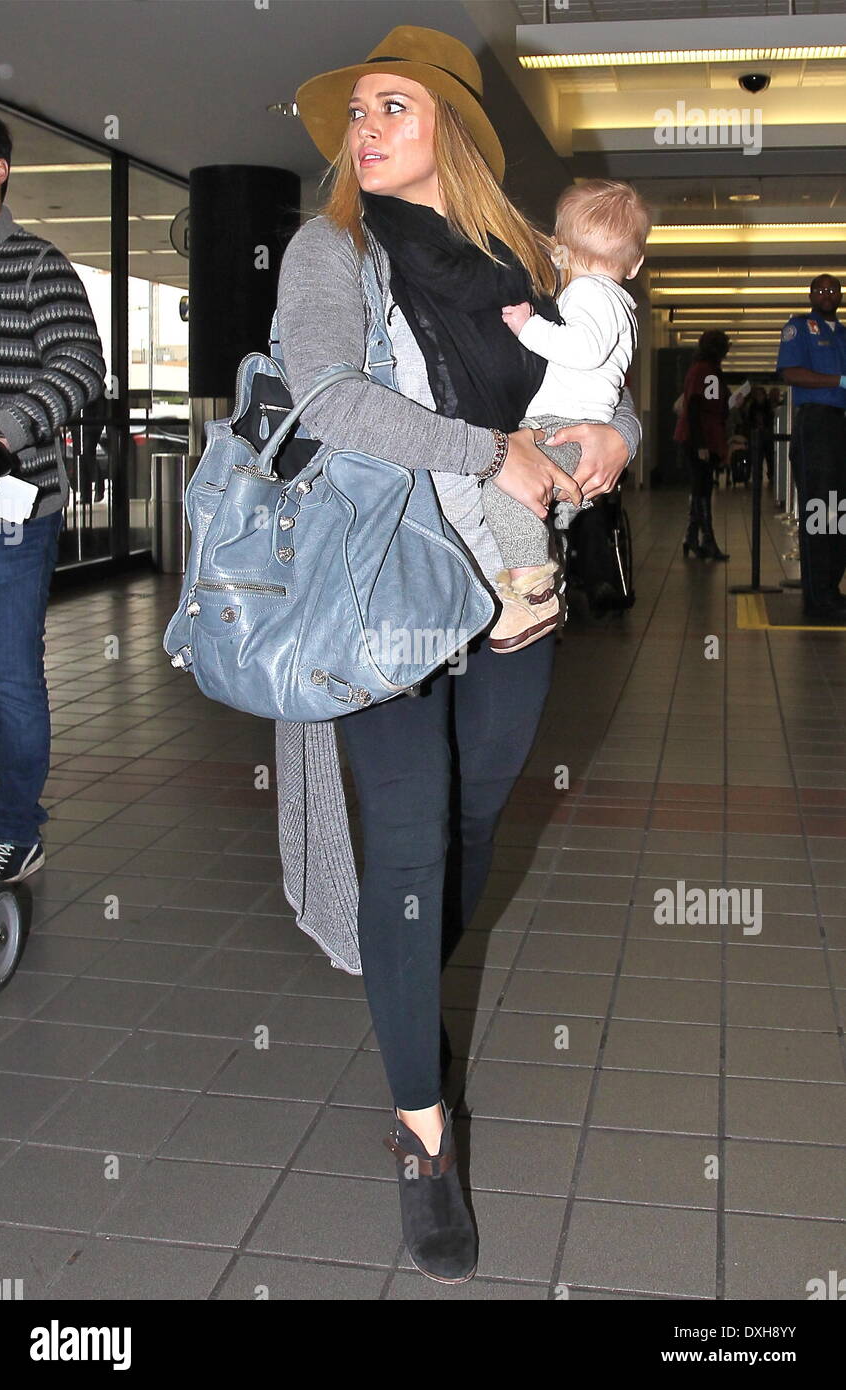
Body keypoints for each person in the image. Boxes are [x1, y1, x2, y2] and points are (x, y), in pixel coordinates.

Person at [279, 25, 641, 1284]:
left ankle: (402, 977)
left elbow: (602, 373)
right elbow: (322, 394)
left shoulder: (523, 259)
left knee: (480, 813)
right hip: (384, 585)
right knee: (413, 827)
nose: (364, 130)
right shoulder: (331, 247)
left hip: (512, 591)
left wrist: (609, 442)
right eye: (354, 112)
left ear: (449, 130)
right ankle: (422, 1134)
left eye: (391, 107)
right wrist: (493, 454)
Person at [0, 102, 105, 882]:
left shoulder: (35, 263)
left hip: (10, 515)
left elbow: (78, 367)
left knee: (11, 674)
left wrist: (1, 431)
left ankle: (16, 828)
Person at [487, 178, 650, 652]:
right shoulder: (619, 299)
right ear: (635, 263)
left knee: (503, 488)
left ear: (560, 251)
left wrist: (528, 327)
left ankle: (534, 591)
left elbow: (584, 348)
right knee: (545, 509)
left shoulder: (588, 293)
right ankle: (545, 576)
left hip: (561, 428)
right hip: (580, 432)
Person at [776, 274, 846, 620]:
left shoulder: (843, 334)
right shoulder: (800, 328)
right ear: (810, 295)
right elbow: (790, 373)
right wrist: (838, 381)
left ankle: (832, 588)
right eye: (820, 289)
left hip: (841, 425)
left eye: (832, 289)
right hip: (816, 424)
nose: (826, 294)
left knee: (839, 511)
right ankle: (818, 596)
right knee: (820, 510)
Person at [674, 329, 731, 560]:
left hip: (698, 436)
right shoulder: (707, 372)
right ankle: (706, 540)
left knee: (700, 489)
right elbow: (699, 407)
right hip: (702, 437)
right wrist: (701, 444)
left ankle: (692, 537)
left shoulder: (702, 370)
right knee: (702, 489)